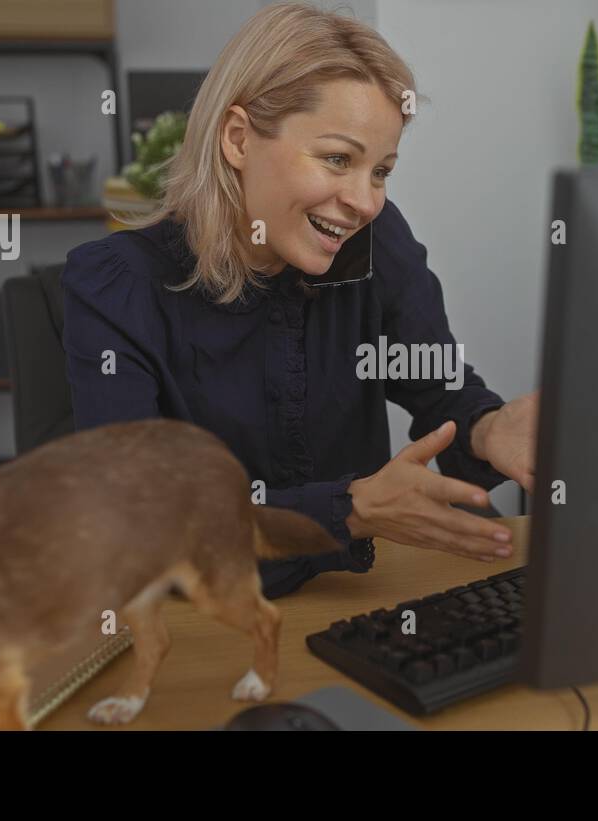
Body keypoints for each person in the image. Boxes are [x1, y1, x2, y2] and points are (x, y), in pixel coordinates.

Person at [61, 2, 537, 598]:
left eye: (381, 171)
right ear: (238, 139)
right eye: (338, 159)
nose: (365, 201)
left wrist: (491, 428)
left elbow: (441, 392)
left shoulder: (375, 243)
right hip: (202, 629)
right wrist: (352, 510)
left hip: (355, 605)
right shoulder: (117, 285)